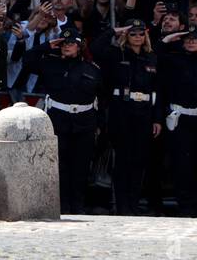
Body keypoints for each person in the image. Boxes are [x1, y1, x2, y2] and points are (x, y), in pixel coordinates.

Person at [22, 26, 102, 214]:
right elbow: (27, 60)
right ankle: (61, 205)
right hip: (58, 120)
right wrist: (47, 46)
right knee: (59, 165)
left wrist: (99, 124)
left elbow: (101, 97)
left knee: (80, 166)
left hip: (84, 121)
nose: (67, 46)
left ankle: (78, 205)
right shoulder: (50, 63)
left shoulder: (91, 68)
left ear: (79, 46)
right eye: (64, 43)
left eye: (71, 43)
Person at [92, 20, 159, 215]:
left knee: (139, 161)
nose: (137, 37)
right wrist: (114, 30)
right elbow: (95, 48)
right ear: (126, 36)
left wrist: (156, 119)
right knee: (122, 161)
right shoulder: (116, 54)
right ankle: (122, 206)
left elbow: (157, 90)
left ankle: (133, 204)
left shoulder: (151, 57)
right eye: (133, 34)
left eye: (140, 34)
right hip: (121, 112)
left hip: (144, 113)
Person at [156, 26, 197, 216]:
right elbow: (156, 52)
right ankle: (186, 208)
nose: (191, 42)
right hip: (182, 122)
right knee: (183, 166)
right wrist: (172, 37)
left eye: (196, 39)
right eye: (187, 39)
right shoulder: (173, 61)